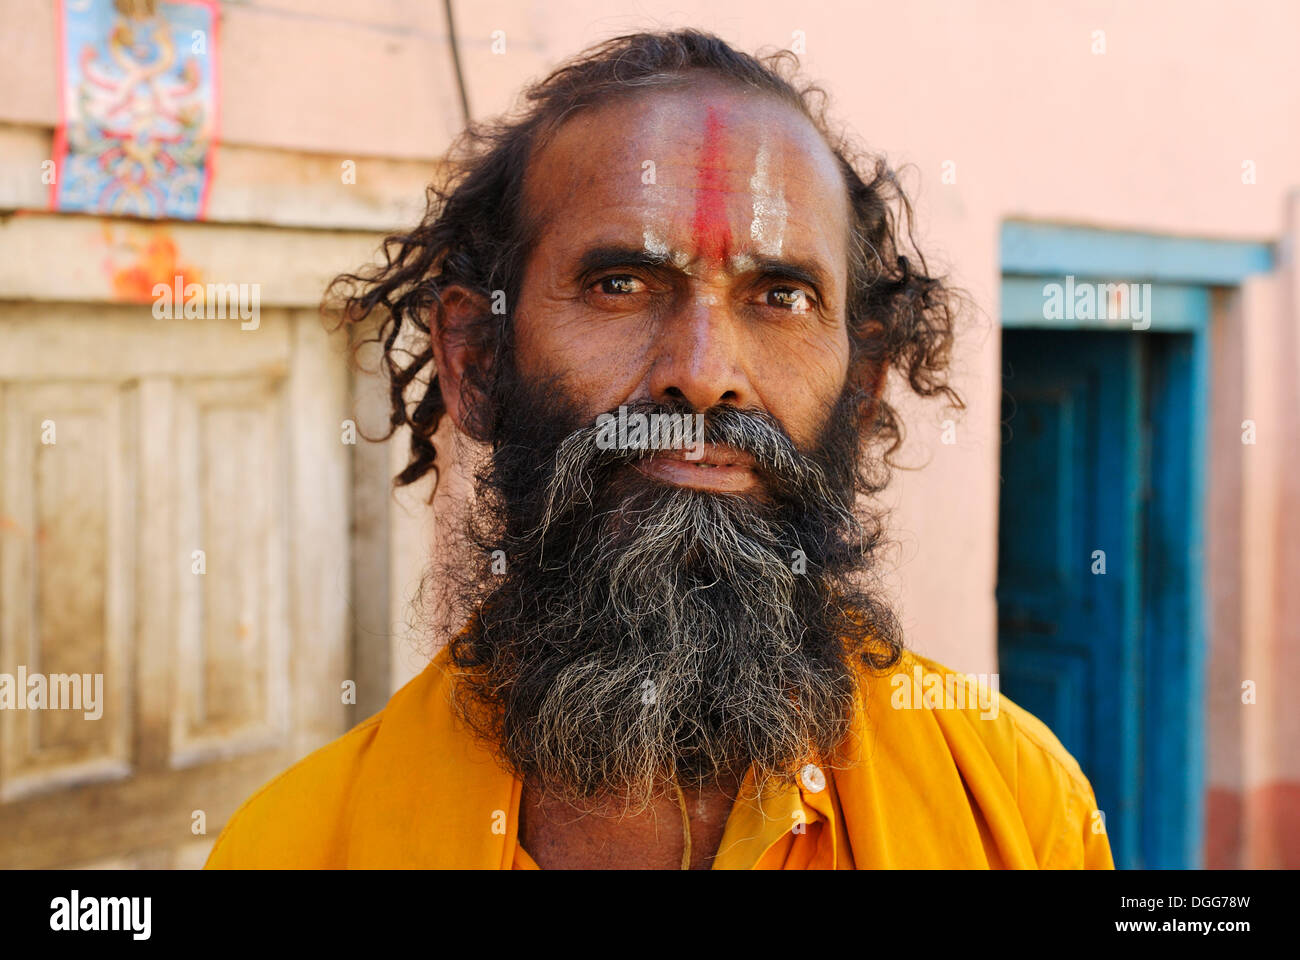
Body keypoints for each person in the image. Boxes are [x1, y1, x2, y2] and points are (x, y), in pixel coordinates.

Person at [206, 29, 1113, 869]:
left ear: (863, 380)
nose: (704, 375)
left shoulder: (1018, 813)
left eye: (782, 296)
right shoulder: (292, 848)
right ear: (475, 363)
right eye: (620, 284)